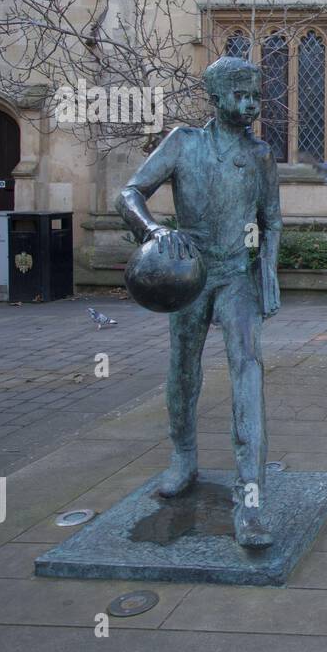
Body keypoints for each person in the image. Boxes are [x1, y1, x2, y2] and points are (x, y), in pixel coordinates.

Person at [115, 56, 282, 547]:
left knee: (248, 370)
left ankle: (250, 496)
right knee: (183, 368)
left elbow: (272, 218)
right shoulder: (182, 144)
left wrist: (267, 271)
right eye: (241, 95)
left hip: (237, 276)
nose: (251, 104)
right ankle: (183, 456)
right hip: (188, 273)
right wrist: (151, 230)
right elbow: (129, 193)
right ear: (216, 96)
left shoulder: (261, 155)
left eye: (255, 95)